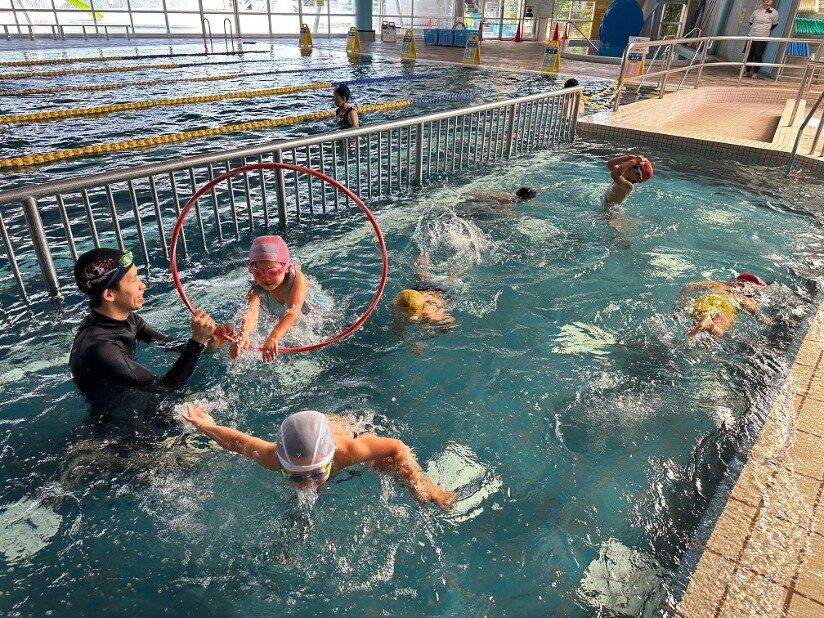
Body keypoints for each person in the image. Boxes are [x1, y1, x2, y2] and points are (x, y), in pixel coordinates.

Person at [181, 405, 456, 509]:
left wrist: (423, 484)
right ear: (282, 465)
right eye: (295, 477)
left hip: (342, 428)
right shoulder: (271, 456)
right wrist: (206, 425)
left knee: (386, 466)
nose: (307, 484)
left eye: (316, 474)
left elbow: (397, 447)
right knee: (298, 504)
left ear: (331, 460)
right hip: (312, 436)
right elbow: (235, 441)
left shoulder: (348, 451)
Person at [69, 248, 228, 410]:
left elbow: (169, 344)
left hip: (135, 401)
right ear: (109, 295)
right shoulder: (101, 349)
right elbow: (165, 389)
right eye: (133, 279)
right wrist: (197, 341)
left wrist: (207, 345)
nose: (143, 285)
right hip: (122, 422)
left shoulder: (127, 319)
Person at [231, 235, 326, 362]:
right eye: (258, 272)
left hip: (316, 310)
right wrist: (243, 335)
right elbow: (251, 314)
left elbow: (293, 311)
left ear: (286, 268)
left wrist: (274, 337)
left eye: (272, 272)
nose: (265, 277)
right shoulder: (255, 290)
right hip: (282, 314)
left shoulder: (297, 279)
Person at [678, 272, 771, 338]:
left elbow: (691, 285)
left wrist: (681, 304)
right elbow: (754, 311)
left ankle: (704, 319)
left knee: (698, 325)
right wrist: (766, 320)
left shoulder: (719, 284)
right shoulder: (746, 297)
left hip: (706, 301)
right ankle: (709, 324)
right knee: (718, 334)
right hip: (726, 308)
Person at [745, 0, 779, 79]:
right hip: (751, 36)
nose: (767, 1)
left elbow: (774, 24)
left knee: (758, 54)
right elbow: (751, 22)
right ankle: (747, 71)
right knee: (749, 54)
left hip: (762, 37)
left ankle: (755, 73)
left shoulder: (774, 12)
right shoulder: (756, 12)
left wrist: (765, 30)